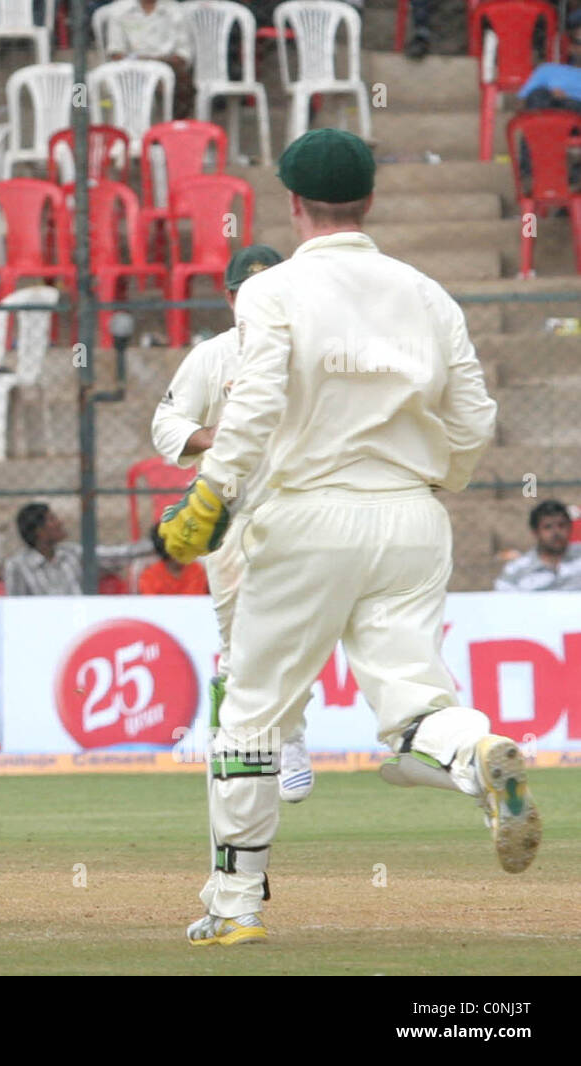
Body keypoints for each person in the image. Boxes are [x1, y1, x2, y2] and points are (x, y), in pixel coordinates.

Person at [158, 129, 539, 947]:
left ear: (294, 203)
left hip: (308, 515)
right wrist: (439, 477)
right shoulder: (426, 293)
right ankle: (477, 753)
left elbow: (255, 405)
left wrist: (213, 492)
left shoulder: (272, 291)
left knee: (252, 714)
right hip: (411, 517)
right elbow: (475, 418)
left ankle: (235, 904)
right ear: (369, 199)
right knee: (414, 703)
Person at [151, 243, 316, 804]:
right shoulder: (213, 357)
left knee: (294, 631)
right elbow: (166, 422)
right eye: (248, 292)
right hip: (230, 511)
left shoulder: (314, 352)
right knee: (238, 637)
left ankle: (289, 735)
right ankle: (244, 750)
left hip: (300, 507)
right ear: (229, 298)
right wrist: (211, 437)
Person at [2, 502, 154, 596]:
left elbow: (118, 555)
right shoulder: (17, 566)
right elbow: (16, 609)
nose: (60, 522)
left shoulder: (72, 553)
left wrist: (157, 543)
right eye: (52, 519)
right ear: (39, 531)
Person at [106, 0, 193, 113]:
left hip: (168, 66)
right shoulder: (119, 10)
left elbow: (183, 55)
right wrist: (145, 67)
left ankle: (172, 121)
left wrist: (158, 69)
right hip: (131, 69)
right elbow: (116, 53)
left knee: (181, 82)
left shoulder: (175, 11)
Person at [494, 499, 581, 590]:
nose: (556, 532)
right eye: (548, 527)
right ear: (535, 532)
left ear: (570, 527)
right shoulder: (517, 570)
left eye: (561, 525)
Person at [136, 522, 207, 595]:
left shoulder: (197, 570)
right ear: (164, 549)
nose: (183, 551)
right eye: (177, 548)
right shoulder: (150, 576)